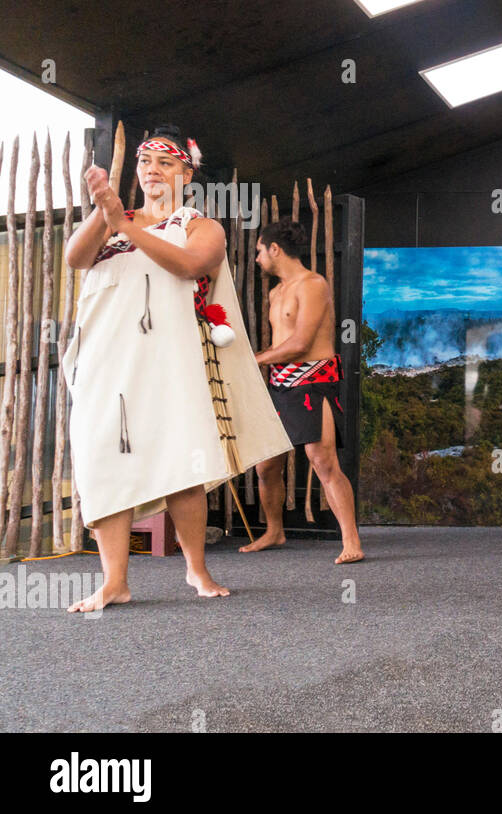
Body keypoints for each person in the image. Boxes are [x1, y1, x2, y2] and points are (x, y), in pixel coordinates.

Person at [61, 125, 291, 612]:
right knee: (106, 460)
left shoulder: (198, 224)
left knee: (181, 461)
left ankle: (196, 570)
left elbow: (192, 265)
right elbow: (74, 258)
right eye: (145, 163)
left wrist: (128, 228)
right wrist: (110, 216)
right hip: (106, 361)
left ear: (186, 173)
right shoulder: (113, 219)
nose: (152, 171)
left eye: (164, 163)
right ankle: (114, 581)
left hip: (170, 360)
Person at [243, 219, 363, 564]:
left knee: (323, 461)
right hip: (279, 385)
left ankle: (351, 541)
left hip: (314, 381)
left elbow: (300, 343)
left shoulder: (313, 284)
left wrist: (255, 359)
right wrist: (264, 361)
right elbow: (282, 341)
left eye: (259, 252)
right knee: (265, 467)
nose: (257, 260)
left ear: (274, 249)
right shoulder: (275, 292)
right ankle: (275, 531)